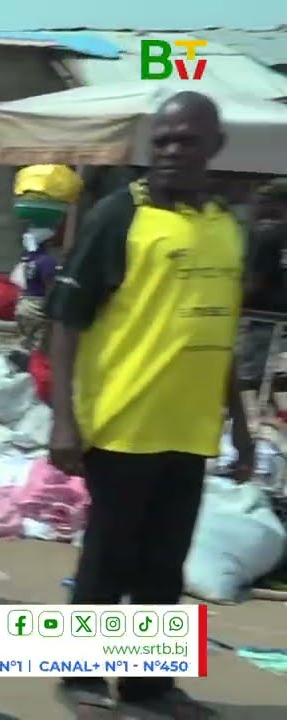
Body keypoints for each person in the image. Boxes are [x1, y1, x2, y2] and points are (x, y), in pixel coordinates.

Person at [46, 91, 252, 717]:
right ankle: (81, 676)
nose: (168, 152)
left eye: (184, 140)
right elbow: (67, 320)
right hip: (122, 425)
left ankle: (148, 684)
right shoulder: (120, 215)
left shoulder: (225, 228)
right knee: (110, 560)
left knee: (165, 566)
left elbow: (220, 334)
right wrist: (63, 417)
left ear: (214, 146)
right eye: (159, 140)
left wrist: (240, 428)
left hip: (189, 430)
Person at [239, 180, 287, 390]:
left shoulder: (266, 235)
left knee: (247, 384)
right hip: (279, 327)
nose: (254, 207)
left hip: (262, 326)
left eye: (260, 202)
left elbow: (253, 282)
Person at [13, 223, 61, 353]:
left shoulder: (26, 260)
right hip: (38, 306)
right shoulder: (47, 261)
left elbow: (18, 283)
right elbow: (50, 287)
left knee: (25, 345)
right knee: (40, 348)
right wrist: (52, 309)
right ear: (46, 243)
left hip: (23, 305)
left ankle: (23, 369)